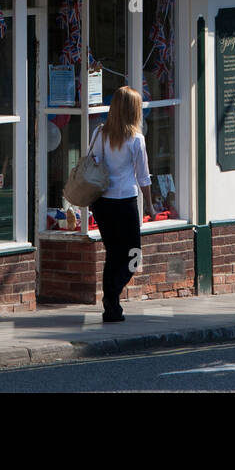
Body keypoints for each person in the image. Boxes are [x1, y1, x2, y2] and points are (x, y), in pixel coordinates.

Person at [91, 85, 155, 323]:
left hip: (102, 203)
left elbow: (93, 162)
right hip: (125, 202)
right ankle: (112, 297)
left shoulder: (99, 133)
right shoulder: (136, 140)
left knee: (113, 254)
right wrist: (149, 205)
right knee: (133, 255)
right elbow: (143, 177)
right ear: (133, 110)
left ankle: (112, 306)